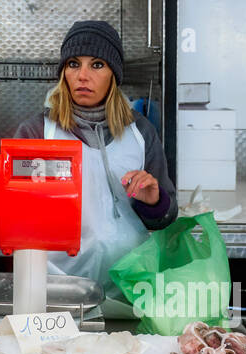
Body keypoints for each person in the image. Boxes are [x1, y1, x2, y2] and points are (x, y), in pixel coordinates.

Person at [14, 19, 177, 296]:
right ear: (63, 72)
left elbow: (166, 217)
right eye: (74, 64)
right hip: (56, 289)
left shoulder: (140, 132)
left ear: (114, 74)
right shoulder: (37, 132)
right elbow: (15, 216)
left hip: (129, 286)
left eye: (97, 65)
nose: (83, 75)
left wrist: (154, 201)